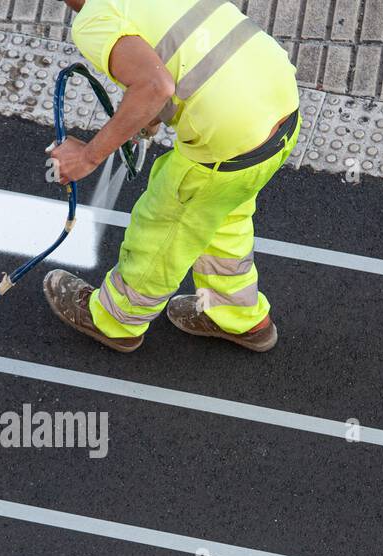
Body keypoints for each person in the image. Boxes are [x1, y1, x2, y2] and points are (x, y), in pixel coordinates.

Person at [45, 0, 300, 353]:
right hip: (280, 108)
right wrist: (148, 115)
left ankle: (117, 320)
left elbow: (155, 85)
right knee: (221, 213)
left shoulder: (95, 18)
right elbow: (180, 52)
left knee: (165, 228)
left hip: (228, 138)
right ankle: (239, 316)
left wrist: (87, 157)